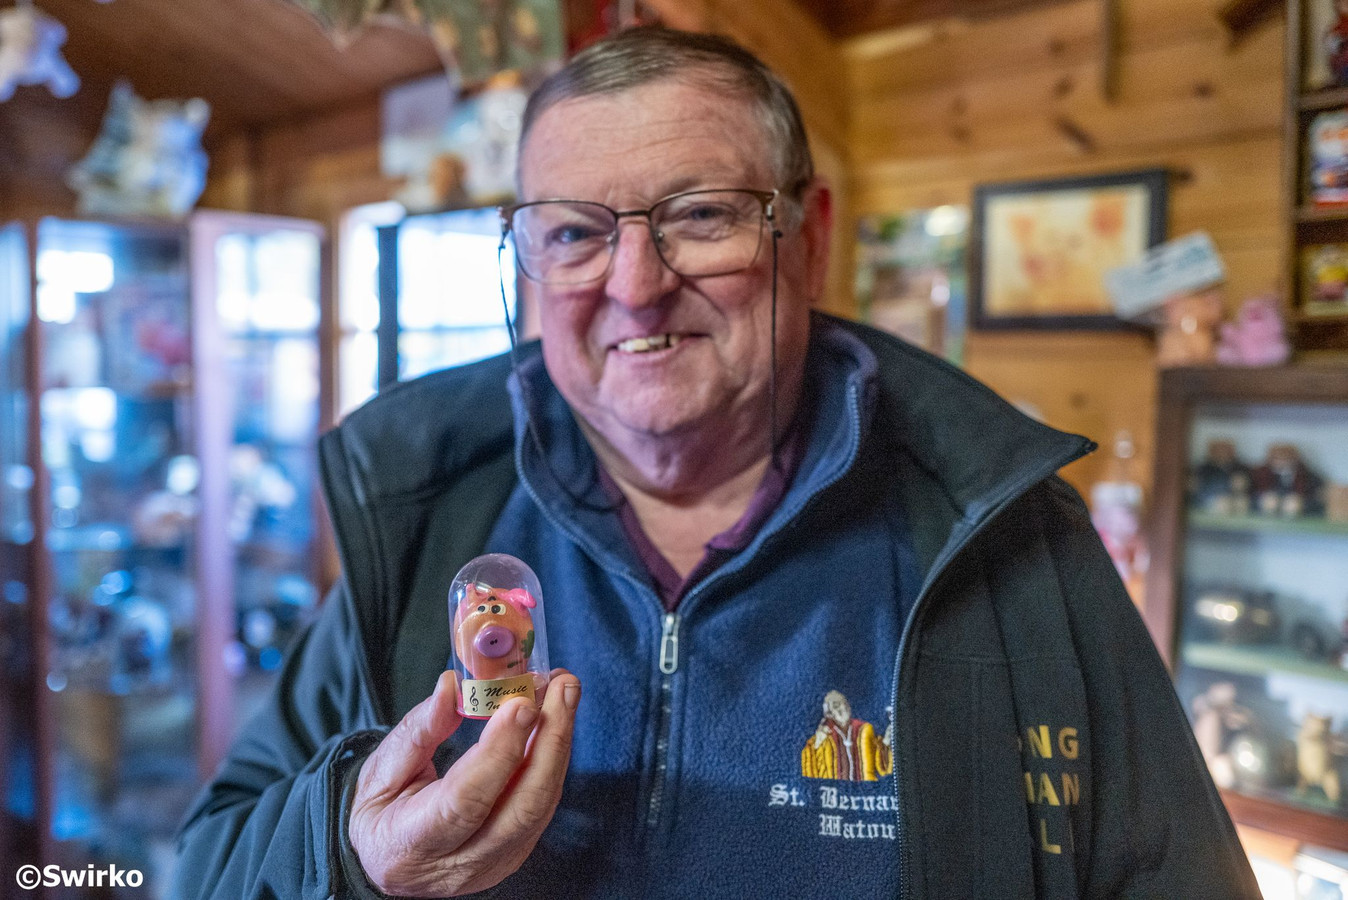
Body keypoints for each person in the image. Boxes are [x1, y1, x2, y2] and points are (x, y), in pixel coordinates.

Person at [175, 26, 1262, 899]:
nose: (635, 285)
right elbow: (208, 866)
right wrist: (355, 860)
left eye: (699, 216)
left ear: (809, 235)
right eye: (573, 234)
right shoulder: (426, 520)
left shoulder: (1012, 541)